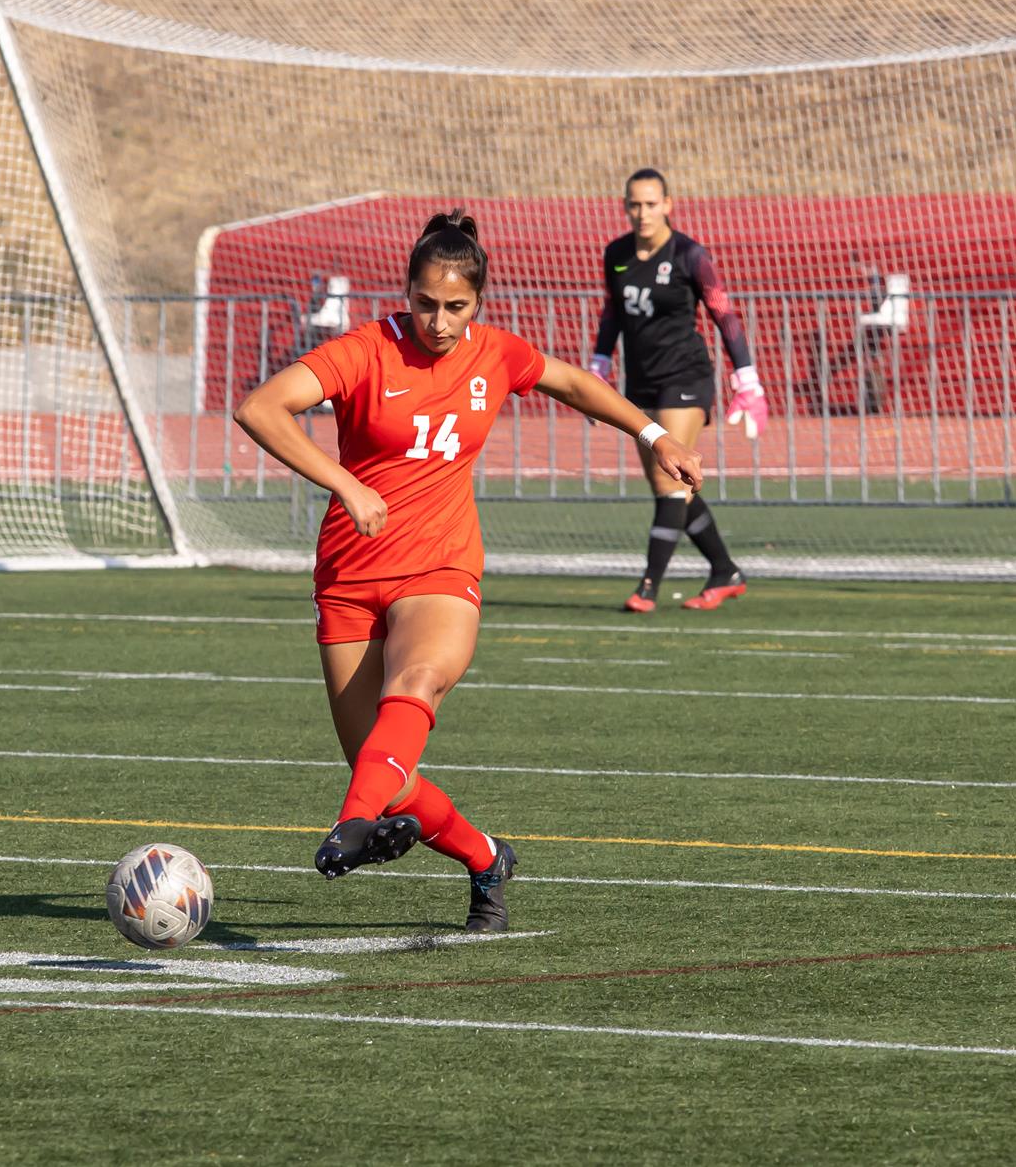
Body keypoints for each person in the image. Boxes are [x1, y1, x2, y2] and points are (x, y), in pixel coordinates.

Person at [234, 213, 703, 931]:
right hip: (350, 574)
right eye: (426, 303)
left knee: (414, 686)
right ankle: (485, 856)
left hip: (442, 563)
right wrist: (346, 483)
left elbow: (574, 383)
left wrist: (654, 433)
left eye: (457, 306)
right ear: (407, 292)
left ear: (479, 302)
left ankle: (348, 822)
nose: (440, 321)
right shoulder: (365, 350)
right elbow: (259, 407)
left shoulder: (494, 354)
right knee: (389, 776)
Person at [591, 168, 765, 613]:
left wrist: (746, 377)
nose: (642, 212)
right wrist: (599, 364)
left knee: (672, 477)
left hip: (686, 377)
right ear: (625, 206)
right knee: (667, 483)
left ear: (668, 204)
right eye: (635, 204)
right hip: (642, 380)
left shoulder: (689, 254)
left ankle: (648, 586)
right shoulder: (617, 253)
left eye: (651, 203)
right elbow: (613, 313)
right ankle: (725, 569)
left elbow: (724, 313)